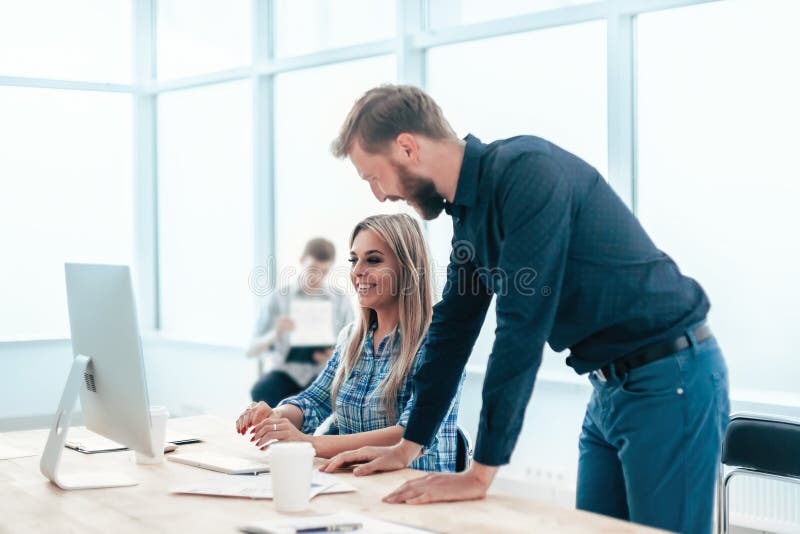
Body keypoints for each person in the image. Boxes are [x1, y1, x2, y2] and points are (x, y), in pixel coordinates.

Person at [320, 85, 729, 533]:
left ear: (407, 147)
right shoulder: (469, 214)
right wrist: (408, 444)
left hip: (668, 377)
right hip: (609, 388)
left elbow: (521, 325)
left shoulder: (527, 173)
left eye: (374, 177)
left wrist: (481, 472)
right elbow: (453, 328)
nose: (380, 196)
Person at [236, 214, 462, 471]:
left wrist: (309, 443)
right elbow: (315, 400)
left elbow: (411, 431)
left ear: (407, 269)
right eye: (354, 260)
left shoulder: (439, 344)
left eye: (373, 260)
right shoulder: (352, 339)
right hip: (358, 486)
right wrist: (277, 416)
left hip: (414, 490)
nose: (357, 272)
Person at [247, 237, 353, 407]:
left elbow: (354, 344)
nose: (317, 277)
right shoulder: (278, 299)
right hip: (285, 373)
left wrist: (334, 356)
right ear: (301, 261)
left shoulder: (340, 300)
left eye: (324, 272)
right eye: (312, 269)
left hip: (323, 373)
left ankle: (311, 430)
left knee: (345, 395)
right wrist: (275, 333)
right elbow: (252, 350)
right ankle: (281, 428)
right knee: (261, 390)